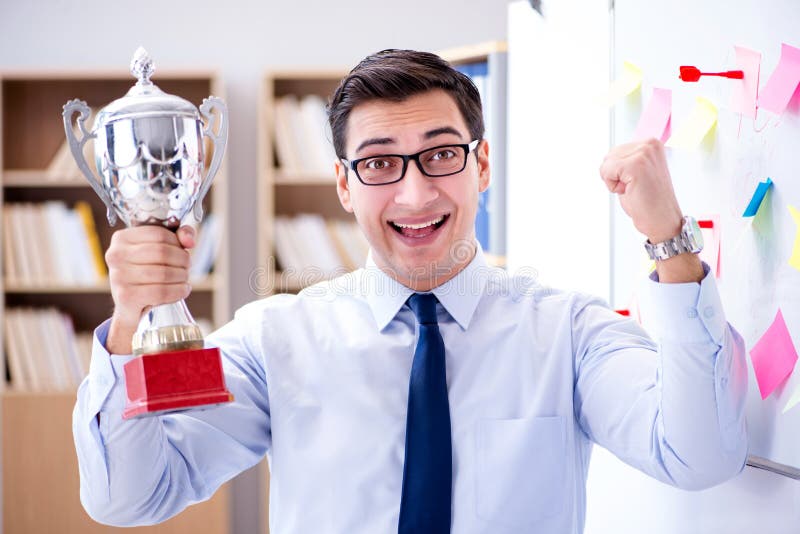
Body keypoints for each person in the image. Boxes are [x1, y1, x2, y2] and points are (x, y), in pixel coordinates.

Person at [74, 49, 747, 533]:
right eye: (379, 163)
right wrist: (134, 323)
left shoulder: (570, 331)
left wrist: (670, 241)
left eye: (442, 153)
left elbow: (700, 455)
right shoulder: (267, 340)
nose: (416, 192)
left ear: (481, 165)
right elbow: (131, 497)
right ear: (344, 184)